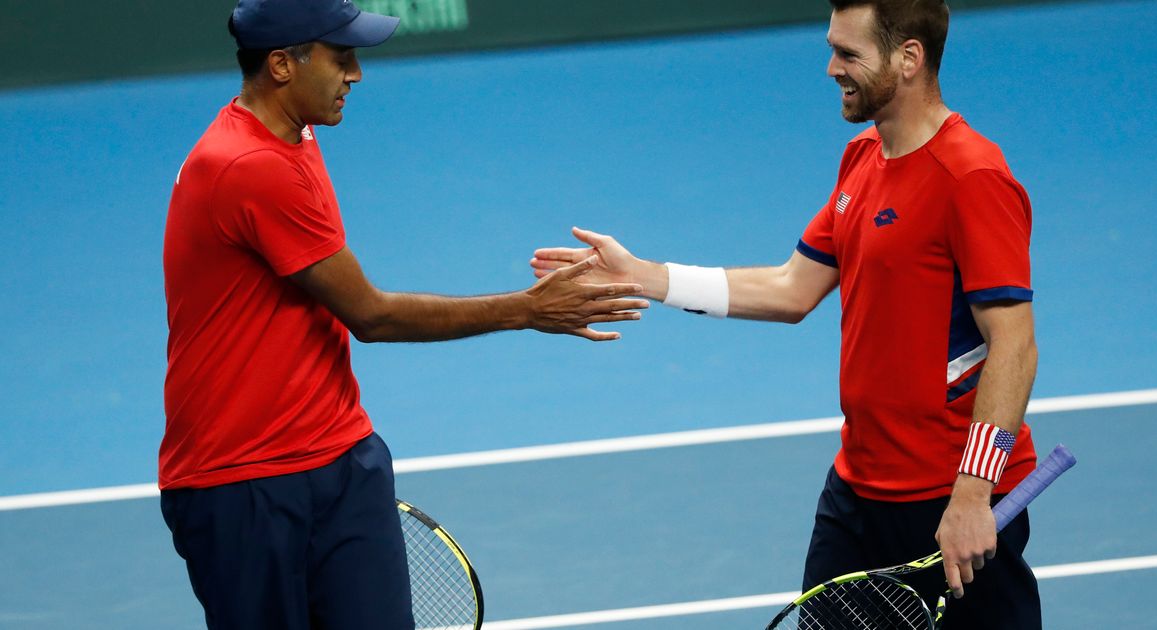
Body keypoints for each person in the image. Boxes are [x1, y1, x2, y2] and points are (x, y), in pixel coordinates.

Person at [530, 0, 1041, 626]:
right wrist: (644, 276)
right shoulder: (862, 158)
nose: (831, 68)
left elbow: (1014, 344)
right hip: (858, 489)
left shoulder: (973, 177)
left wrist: (973, 492)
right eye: (832, 48)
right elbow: (792, 287)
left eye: (848, 53)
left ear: (909, 58)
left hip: (948, 497)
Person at [159, 1, 648, 628]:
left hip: (339, 454)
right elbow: (370, 314)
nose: (356, 73)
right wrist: (526, 311)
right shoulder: (247, 166)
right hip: (244, 481)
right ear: (282, 64)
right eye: (342, 58)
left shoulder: (295, 132)